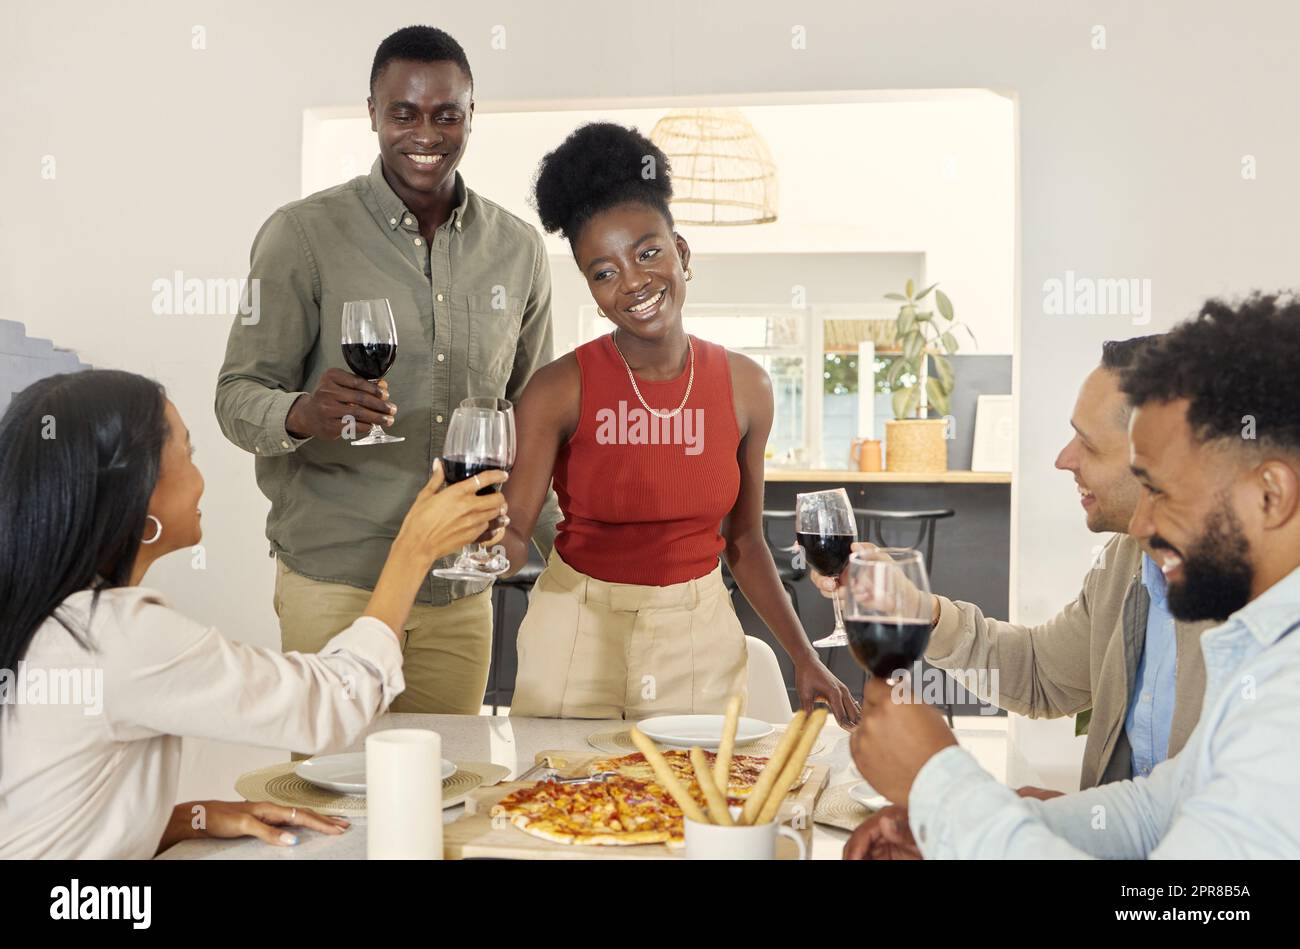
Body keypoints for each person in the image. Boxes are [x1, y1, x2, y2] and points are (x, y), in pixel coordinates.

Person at [848, 293, 1300, 858]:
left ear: (1271, 494)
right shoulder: (1258, 640)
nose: (1141, 521)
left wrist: (942, 786)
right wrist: (972, 825)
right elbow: (1155, 812)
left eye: (1157, 487)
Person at [0, 370, 507, 858]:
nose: (200, 478)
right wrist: (413, 550)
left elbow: (43, 813)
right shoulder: (118, 635)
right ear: (137, 488)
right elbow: (333, 704)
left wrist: (182, 820)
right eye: (188, 452)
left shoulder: (50, 617)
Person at [215, 25, 558, 718]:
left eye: (446, 114)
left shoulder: (517, 250)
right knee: (330, 797)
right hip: (337, 579)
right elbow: (235, 395)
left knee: (445, 796)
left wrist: (538, 540)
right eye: (403, 113)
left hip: (458, 589)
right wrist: (303, 413)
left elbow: (533, 415)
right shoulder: (302, 236)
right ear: (372, 112)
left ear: (470, 115)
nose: (425, 132)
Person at [497, 123, 858, 726]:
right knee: (556, 804)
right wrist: (475, 547)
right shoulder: (556, 390)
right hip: (575, 631)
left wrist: (804, 655)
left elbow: (744, 543)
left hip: (700, 632)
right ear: (590, 286)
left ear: (682, 253)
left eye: (647, 253)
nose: (633, 283)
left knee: (695, 806)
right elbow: (513, 538)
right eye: (603, 272)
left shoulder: (747, 388)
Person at [817, 338, 1212, 794]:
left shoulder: (1254, 614)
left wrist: (946, 782)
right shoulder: (1127, 561)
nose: (1063, 460)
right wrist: (916, 609)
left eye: (1088, 444)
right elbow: (1042, 674)